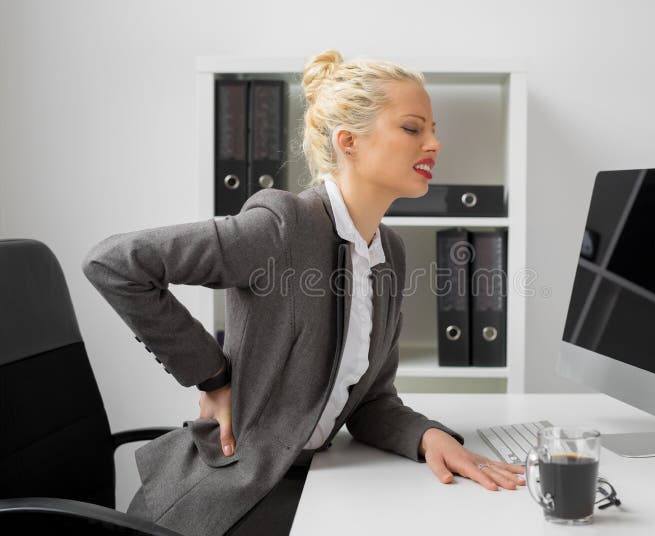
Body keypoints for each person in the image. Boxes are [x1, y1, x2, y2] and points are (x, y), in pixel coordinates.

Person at [82, 49, 525, 536]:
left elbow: (371, 402)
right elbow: (115, 262)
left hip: (304, 479)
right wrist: (211, 376)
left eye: (433, 130)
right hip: (227, 496)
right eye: (412, 128)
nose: (434, 144)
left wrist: (427, 436)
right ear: (348, 141)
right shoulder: (282, 226)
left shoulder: (389, 253)